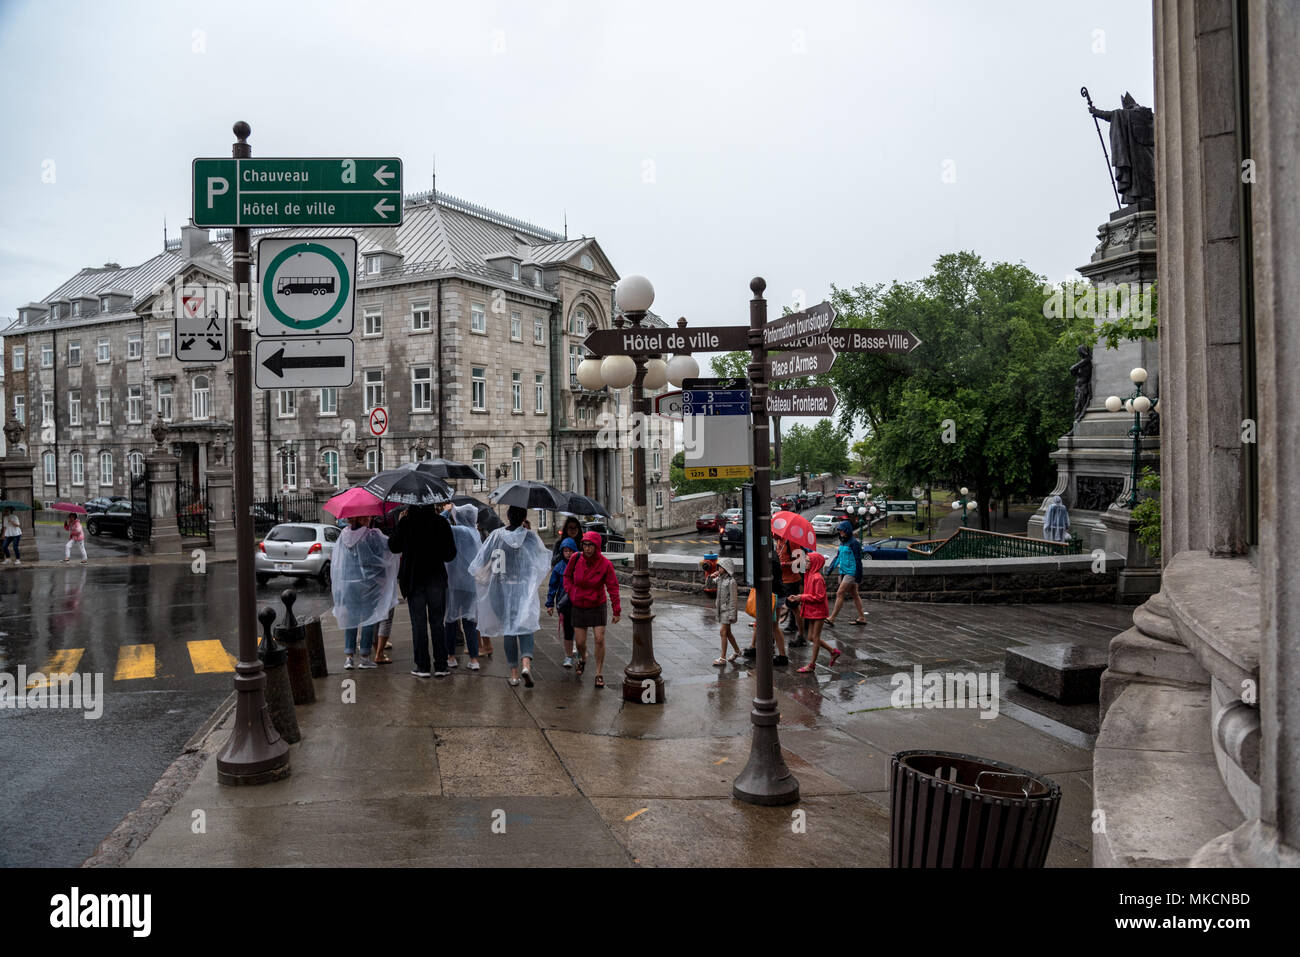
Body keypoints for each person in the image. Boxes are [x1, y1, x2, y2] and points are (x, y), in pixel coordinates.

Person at [469, 505, 551, 687]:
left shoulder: (496, 535)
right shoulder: (530, 537)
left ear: (507, 516)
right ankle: (526, 664)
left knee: (509, 629)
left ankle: (513, 674)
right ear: (524, 517)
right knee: (525, 625)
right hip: (522, 589)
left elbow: (480, 562)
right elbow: (542, 561)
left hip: (500, 590)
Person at [389, 503, 458, 678]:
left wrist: (400, 523)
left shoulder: (406, 523)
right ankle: (441, 665)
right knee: (437, 623)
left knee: (418, 624)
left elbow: (393, 546)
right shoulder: (441, 523)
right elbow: (450, 554)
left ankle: (422, 666)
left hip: (413, 580)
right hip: (435, 579)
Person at [331, 515, 401, 670]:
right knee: (368, 620)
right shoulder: (371, 535)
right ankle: (364, 656)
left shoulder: (343, 535)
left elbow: (338, 560)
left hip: (349, 584)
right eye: (366, 517)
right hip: (368, 584)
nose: (369, 518)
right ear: (361, 519)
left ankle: (349, 657)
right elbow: (386, 552)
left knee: (351, 619)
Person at [564, 530, 621, 688]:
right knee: (580, 642)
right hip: (579, 604)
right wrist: (571, 591)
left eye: (591, 545)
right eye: (585, 544)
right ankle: (583, 658)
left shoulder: (605, 564)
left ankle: (599, 673)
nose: (587, 548)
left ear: (597, 547)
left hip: (597, 605)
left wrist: (617, 610)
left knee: (599, 639)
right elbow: (567, 576)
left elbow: (613, 587)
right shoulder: (575, 559)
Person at [443, 503, 483, 671]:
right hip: (470, 584)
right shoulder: (475, 533)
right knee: (469, 621)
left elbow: (440, 523)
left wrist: (446, 511)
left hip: (454, 583)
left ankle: (450, 656)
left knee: (451, 620)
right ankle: (474, 659)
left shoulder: (458, 531)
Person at [787, 552, 840, 674]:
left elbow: (819, 597)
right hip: (812, 610)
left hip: (819, 611)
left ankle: (811, 665)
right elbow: (809, 594)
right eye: (805, 561)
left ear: (815, 564)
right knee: (811, 637)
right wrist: (798, 597)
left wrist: (801, 597)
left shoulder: (817, 577)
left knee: (815, 638)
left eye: (808, 561)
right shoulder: (808, 576)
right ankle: (833, 651)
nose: (805, 563)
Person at [545, 536, 579, 668]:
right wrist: (549, 603)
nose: (568, 553)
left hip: (578, 602)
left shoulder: (580, 565)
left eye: (570, 551)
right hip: (563, 603)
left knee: (578, 627)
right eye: (565, 551)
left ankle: (579, 648)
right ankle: (569, 655)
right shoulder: (559, 567)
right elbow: (552, 586)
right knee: (567, 628)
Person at [826, 520, 866, 626]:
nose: (840, 533)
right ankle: (862, 617)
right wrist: (830, 569)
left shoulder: (854, 543)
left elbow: (858, 560)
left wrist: (858, 575)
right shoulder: (843, 542)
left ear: (847, 530)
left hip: (851, 572)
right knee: (854, 594)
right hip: (843, 572)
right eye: (839, 531)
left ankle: (832, 618)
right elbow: (838, 557)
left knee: (840, 593)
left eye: (842, 531)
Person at [776, 536, 806, 646]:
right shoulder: (779, 540)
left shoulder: (791, 541)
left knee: (794, 607)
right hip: (781, 579)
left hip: (791, 580)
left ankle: (801, 636)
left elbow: (800, 561)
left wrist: (784, 564)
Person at [712, 556, 741, 666]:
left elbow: (734, 600)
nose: (718, 569)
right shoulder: (719, 579)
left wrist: (732, 614)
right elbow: (709, 585)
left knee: (723, 632)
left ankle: (723, 658)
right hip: (721, 609)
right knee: (728, 633)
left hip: (727, 610)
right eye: (718, 567)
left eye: (721, 567)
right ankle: (738, 651)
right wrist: (711, 577)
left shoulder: (731, 582)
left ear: (727, 568)